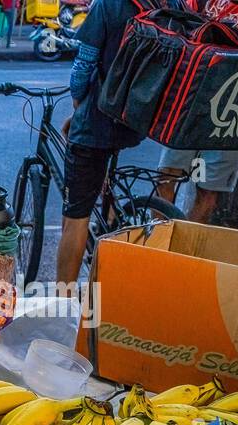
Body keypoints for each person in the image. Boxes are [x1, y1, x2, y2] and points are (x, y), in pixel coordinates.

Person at [55, 0, 150, 287]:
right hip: (136, 119)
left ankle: (63, 305)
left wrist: (78, 107)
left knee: (75, 217)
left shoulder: (109, 5)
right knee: (108, 187)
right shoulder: (168, 2)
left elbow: (83, 67)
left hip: (97, 120)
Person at [154, 0, 238, 222]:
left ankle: (183, 248)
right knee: (167, 176)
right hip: (190, 104)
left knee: (207, 190)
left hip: (228, 116)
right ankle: (159, 244)